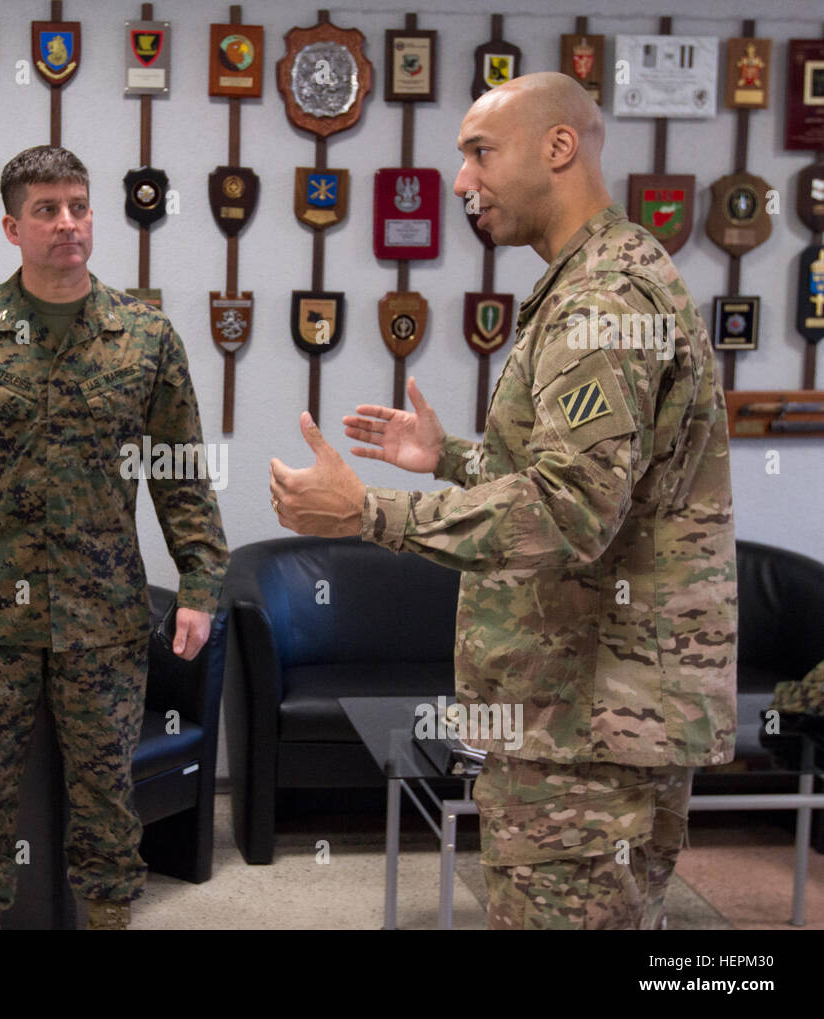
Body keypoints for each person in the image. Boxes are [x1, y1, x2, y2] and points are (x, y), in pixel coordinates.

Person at [268, 71, 736, 930]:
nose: (461, 182)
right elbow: (593, 481)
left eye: (480, 153)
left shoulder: (601, 299)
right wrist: (446, 455)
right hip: (597, 711)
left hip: (585, 727)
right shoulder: (601, 277)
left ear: (558, 147)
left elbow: (570, 513)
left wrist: (367, 512)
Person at [0, 145, 229, 930]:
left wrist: (201, 583)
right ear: (11, 225)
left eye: (78, 206)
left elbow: (182, 473)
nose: (67, 224)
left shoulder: (145, 338)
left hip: (103, 617)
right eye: (47, 209)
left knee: (109, 801)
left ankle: (109, 917)